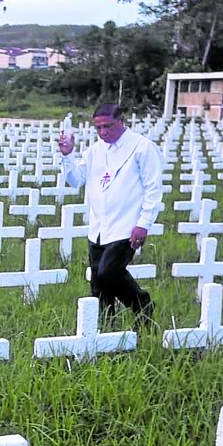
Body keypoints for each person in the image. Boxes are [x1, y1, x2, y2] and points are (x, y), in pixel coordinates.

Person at [58, 103, 164, 325]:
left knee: (109, 272)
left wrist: (144, 224)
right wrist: (67, 156)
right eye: (98, 128)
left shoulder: (142, 147)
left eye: (108, 126)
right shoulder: (95, 151)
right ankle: (106, 326)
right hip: (98, 228)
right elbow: (76, 180)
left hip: (126, 226)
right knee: (99, 284)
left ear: (121, 121)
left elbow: (153, 189)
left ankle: (142, 305)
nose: (103, 132)